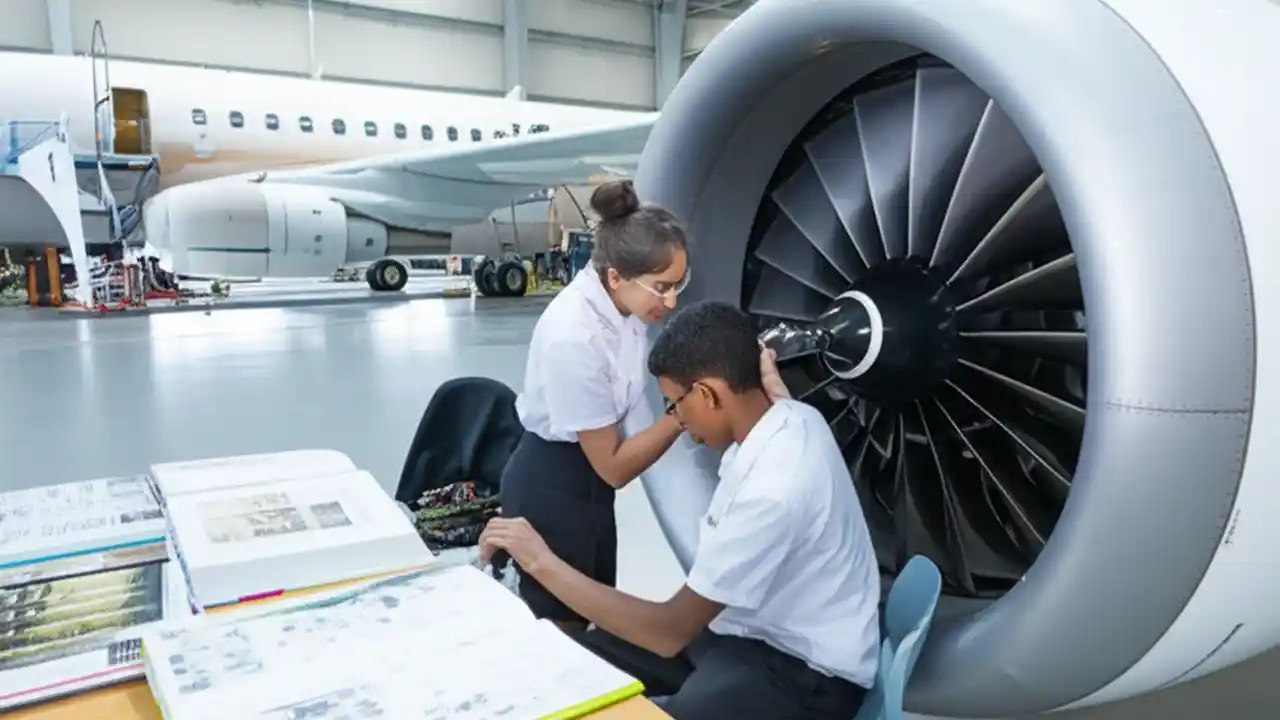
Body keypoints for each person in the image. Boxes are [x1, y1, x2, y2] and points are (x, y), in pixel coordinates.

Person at [481, 301, 880, 720]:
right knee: (576, 659)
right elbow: (773, 392)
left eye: (674, 405)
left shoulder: (772, 491)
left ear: (707, 394)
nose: (678, 421)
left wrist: (540, 560)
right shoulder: (797, 417)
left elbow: (668, 631)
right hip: (743, 634)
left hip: (805, 674)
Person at [498, 179, 692, 631]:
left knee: (597, 617)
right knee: (561, 632)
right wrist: (683, 413)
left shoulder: (623, 307)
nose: (672, 300)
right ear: (614, 277)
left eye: (679, 284)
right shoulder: (575, 336)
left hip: (589, 487)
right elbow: (614, 468)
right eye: (662, 287)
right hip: (555, 488)